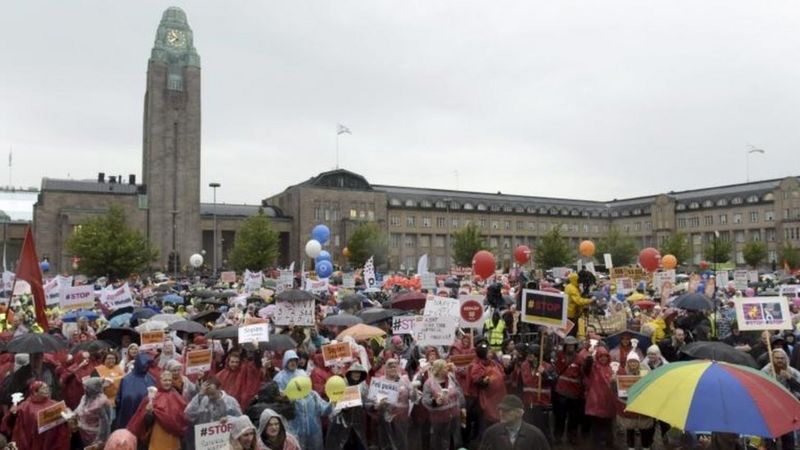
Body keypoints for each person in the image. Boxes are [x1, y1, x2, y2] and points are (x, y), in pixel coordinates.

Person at [126, 370, 189, 450]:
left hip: (173, 437)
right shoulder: (152, 397)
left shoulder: (176, 395)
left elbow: (183, 416)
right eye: (165, 380)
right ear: (159, 381)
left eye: (169, 380)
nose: (167, 382)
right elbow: (144, 421)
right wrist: (149, 413)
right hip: (158, 435)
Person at [7, 380, 70, 450]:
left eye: (47, 387)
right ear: (35, 392)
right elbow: (10, 421)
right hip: (32, 441)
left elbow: (65, 422)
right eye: (43, 388)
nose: (47, 390)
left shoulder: (55, 404)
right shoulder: (25, 406)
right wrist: (12, 413)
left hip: (51, 441)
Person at [184, 376, 242, 449]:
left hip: (226, 442)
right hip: (206, 443)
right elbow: (188, 414)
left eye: (212, 394)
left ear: (219, 389)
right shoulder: (202, 399)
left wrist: (229, 419)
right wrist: (200, 395)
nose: (210, 397)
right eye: (208, 394)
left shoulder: (230, 402)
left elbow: (240, 421)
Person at [370, 358, 416, 450]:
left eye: (394, 367)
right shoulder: (379, 381)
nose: (392, 369)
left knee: (401, 442)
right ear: (385, 369)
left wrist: (414, 391)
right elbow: (373, 402)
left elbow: (413, 398)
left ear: (398, 368)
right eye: (390, 367)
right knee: (387, 444)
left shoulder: (405, 380)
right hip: (385, 419)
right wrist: (379, 404)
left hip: (402, 418)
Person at [478, 394, 551, 450]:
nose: (501, 413)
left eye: (507, 410)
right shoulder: (491, 433)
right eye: (500, 410)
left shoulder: (535, 435)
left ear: (520, 413)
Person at [761, 348, 800, 450]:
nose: (779, 360)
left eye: (782, 358)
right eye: (777, 358)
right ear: (772, 359)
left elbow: (799, 389)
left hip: (787, 409)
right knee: (770, 438)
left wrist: (789, 378)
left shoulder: (793, 372)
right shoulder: (765, 371)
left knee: (788, 437)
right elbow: (759, 388)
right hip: (770, 409)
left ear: (786, 359)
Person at [422, 359, 465, 450]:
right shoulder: (429, 383)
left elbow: (459, 391)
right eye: (445, 367)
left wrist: (462, 406)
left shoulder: (451, 377)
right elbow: (425, 400)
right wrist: (435, 402)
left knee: (455, 438)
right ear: (439, 370)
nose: (447, 369)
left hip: (454, 416)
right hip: (439, 419)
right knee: (439, 441)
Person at [615, 352, 654, 450]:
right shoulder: (622, 373)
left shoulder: (645, 371)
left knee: (645, 430)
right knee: (630, 429)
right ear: (627, 363)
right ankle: (631, 447)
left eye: (635, 362)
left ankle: (646, 447)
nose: (633, 364)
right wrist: (613, 381)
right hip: (629, 407)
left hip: (643, 407)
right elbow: (616, 390)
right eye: (631, 362)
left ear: (638, 362)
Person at [326, 363, 369, 450]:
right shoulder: (341, 384)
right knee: (344, 444)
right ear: (350, 373)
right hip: (343, 422)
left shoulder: (363, 386)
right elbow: (333, 403)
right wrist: (342, 408)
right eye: (354, 372)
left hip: (358, 421)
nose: (357, 374)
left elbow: (367, 402)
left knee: (359, 443)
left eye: (359, 372)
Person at [519, 343, 555, 442]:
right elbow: (520, 384)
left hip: (541, 404)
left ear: (537, 355)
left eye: (532, 354)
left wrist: (544, 374)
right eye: (529, 353)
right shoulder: (523, 366)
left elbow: (553, 382)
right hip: (527, 404)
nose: (529, 356)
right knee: (527, 431)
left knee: (543, 432)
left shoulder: (547, 367)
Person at [468, 339, 506, 432]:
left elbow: (503, 373)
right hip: (486, 399)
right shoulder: (476, 366)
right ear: (483, 354)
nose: (491, 353)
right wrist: (484, 381)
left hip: (498, 397)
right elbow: (477, 380)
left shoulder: (494, 363)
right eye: (488, 352)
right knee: (486, 424)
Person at [552, 336, 584, 445]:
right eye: (568, 345)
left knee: (573, 417)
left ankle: (572, 436)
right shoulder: (559, 356)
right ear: (565, 346)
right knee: (560, 416)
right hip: (561, 392)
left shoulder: (580, 358)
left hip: (574, 393)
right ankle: (558, 436)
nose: (570, 347)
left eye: (572, 345)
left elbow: (583, 373)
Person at [583, 346, 616, 449]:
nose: (603, 358)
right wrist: (589, 358)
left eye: (605, 356)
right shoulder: (593, 367)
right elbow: (586, 369)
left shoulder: (611, 368)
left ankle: (609, 443)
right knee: (597, 425)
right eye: (601, 356)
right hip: (596, 401)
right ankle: (598, 444)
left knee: (608, 425)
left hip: (608, 401)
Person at [286, 381, 331, 450]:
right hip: (296, 435)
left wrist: (332, 403)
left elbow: (324, 410)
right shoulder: (290, 397)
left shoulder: (313, 395)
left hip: (314, 434)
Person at [114, 353, 155, 429]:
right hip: (127, 419)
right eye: (144, 365)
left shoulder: (151, 379)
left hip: (144, 420)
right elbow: (118, 399)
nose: (145, 368)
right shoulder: (126, 380)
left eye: (147, 365)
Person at [75, 377, 112, 448]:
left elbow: (105, 425)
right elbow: (79, 409)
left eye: (87, 388)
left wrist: (101, 441)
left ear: (93, 389)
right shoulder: (84, 397)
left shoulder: (101, 403)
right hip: (84, 433)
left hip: (95, 436)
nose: (85, 389)